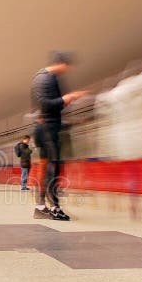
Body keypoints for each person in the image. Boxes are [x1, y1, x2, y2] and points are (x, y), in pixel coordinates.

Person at [31, 51, 89, 221]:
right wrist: (67, 98)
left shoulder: (45, 78)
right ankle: (54, 208)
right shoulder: (45, 78)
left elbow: (46, 108)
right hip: (47, 130)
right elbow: (45, 104)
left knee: (46, 169)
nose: (66, 70)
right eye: (66, 66)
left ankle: (41, 207)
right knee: (53, 168)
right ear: (60, 63)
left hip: (46, 128)